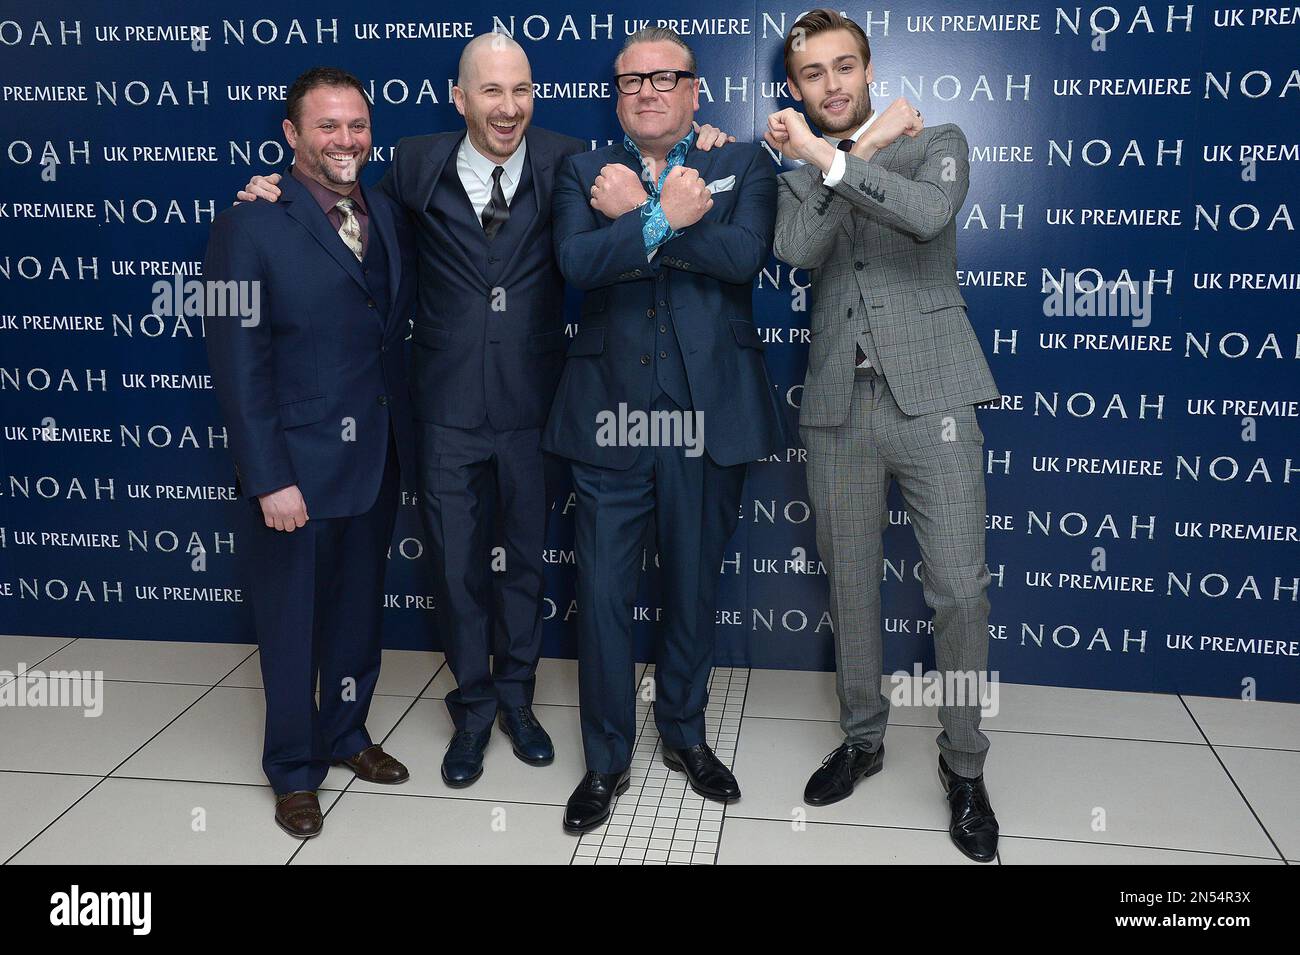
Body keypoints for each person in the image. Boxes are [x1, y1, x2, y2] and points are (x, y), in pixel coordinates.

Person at [236, 37, 733, 789]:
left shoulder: (569, 160)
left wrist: (708, 137)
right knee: (457, 569)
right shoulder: (410, 164)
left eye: (521, 90)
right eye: (491, 92)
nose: (508, 107)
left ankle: (518, 701)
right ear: (460, 98)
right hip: (441, 408)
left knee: (524, 564)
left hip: (537, 405)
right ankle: (470, 708)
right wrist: (270, 190)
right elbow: (334, 199)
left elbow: (657, 182)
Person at [766, 9, 1002, 862]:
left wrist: (834, 158)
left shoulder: (938, 138)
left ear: (868, 69)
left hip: (935, 394)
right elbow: (798, 247)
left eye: (844, 68)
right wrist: (849, 155)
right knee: (852, 584)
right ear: (794, 88)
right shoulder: (795, 174)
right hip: (837, 405)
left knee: (960, 590)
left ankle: (965, 763)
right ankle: (864, 737)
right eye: (813, 75)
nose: (830, 85)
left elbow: (928, 217)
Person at [546, 27, 785, 834]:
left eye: (664, 78)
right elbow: (580, 265)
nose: (645, 91)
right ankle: (606, 758)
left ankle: (684, 735)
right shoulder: (583, 170)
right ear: (617, 96)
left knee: (691, 588)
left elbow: (743, 257)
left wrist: (643, 218)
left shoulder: (744, 162)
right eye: (630, 81)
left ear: (694, 91)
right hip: (607, 421)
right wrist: (666, 219)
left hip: (707, 420)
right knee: (604, 599)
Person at [205, 67, 417, 838]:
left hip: (374, 461)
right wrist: (268, 478)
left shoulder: (384, 210)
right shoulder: (249, 224)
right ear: (291, 136)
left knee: (358, 618)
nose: (346, 140)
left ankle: (348, 733)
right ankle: (294, 767)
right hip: (293, 472)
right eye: (326, 127)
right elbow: (238, 364)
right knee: (292, 625)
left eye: (356, 125)